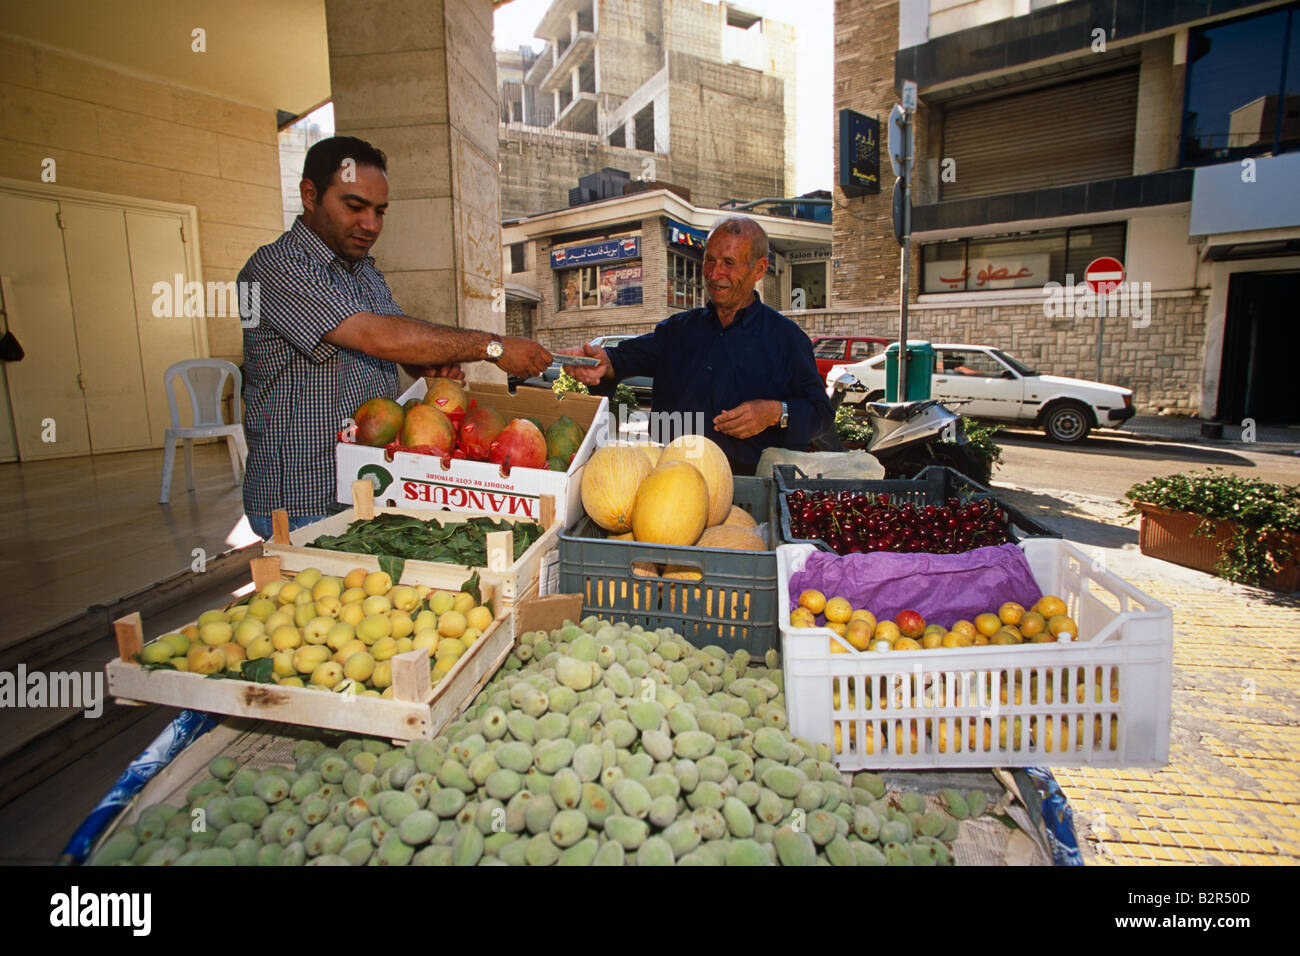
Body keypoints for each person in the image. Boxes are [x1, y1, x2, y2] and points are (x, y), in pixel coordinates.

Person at [238, 136, 552, 539]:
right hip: (303, 502)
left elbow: (395, 335)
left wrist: (419, 361)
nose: (370, 225)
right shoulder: (276, 269)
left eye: (379, 211)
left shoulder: (363, 270)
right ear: (310, 195)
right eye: (354, 206)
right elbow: (377, 336)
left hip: (368, 489)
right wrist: (494, 348)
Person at [562, 216, 832, 475]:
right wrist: (599, 363)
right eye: (709, 260)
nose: (714, 274)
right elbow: (619, 360)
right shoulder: (677, 331)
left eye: (729, 262)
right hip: (672, 483)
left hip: (750, 490)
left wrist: (775, 412)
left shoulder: (787, 339)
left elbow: (821, 414)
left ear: (759, 269)